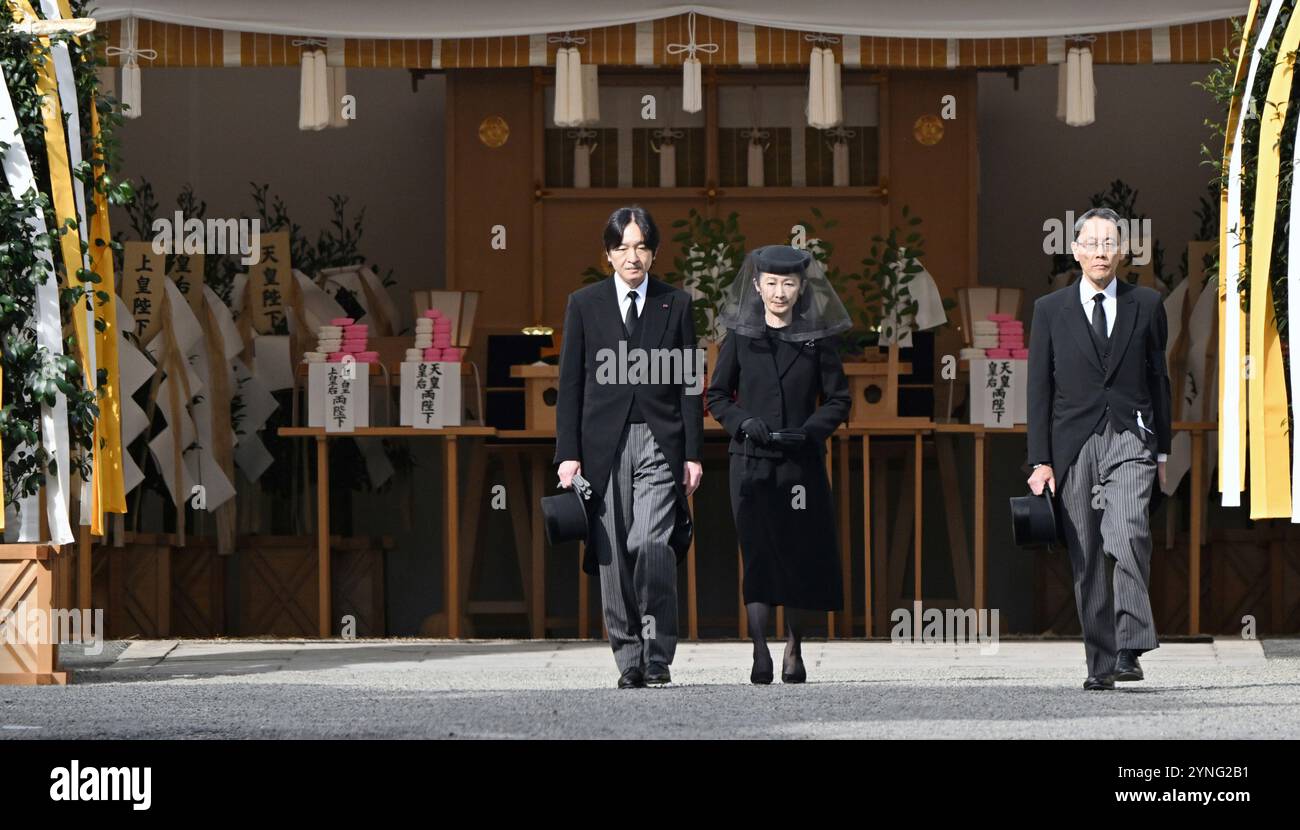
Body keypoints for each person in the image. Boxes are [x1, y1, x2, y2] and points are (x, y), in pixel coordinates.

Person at [554, 206, 704, 689]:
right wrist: (567, 454)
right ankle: (629, 660)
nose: (631, 256)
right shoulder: (584, 304)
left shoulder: (676, 304)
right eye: (622, 247)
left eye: (641, 246)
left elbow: (688, 383)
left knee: (650, 542)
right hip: (601, 446)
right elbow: (571, 383)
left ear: (654, 253)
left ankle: (658, 655)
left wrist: (693, 453)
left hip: (661, 442)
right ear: (609, 255)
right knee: (613, 551)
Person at [1026, 207, 1171, 691]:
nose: (1100, 252)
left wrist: (1164, 449)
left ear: (1123, 251)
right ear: (1075, 250)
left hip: (1130, 435)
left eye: (1109, 243)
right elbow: (1038, 389)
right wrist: (1040, 459)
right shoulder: (1050, 310)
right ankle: (1101, 665)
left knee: (1128, 531)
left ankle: (1129, 646)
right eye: (1091, 243)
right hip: (1071, 443)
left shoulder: (1146, 304)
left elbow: (1159, 380)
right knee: (1086, 553)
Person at [705, 244, 852, 684]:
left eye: (788, 283)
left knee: (799, 555)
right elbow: (715, 396)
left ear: (802, 286)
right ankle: (758, 649)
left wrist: (810, 431)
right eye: (770, 283)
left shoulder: (815, 339)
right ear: (757, 285)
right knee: (758, 555)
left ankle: (794, 647)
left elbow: (840, 398)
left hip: (800, 464)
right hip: (750, 462)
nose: (779, 292)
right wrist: (743, 422)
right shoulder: (741, 336)